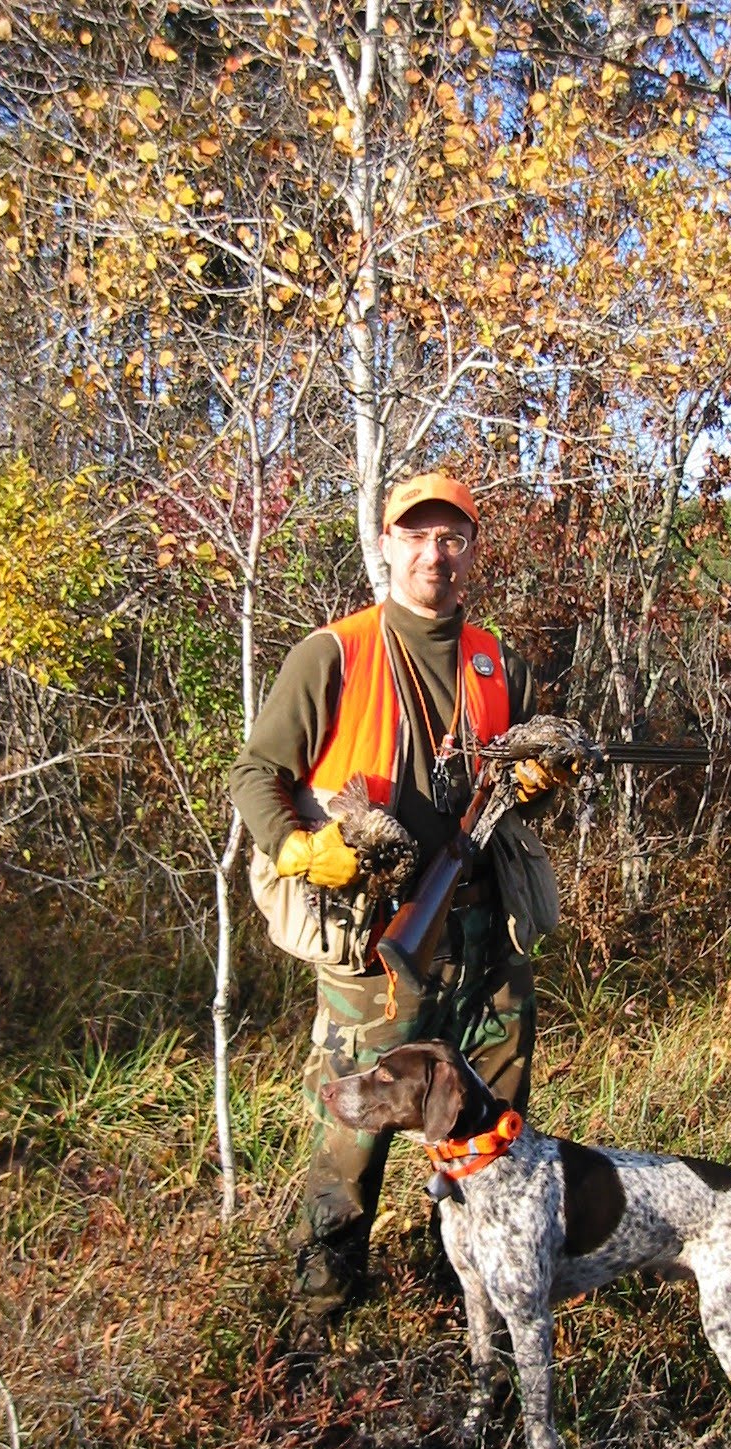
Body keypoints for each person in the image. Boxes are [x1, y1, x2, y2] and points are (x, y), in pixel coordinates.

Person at [229, 471, 561, 1317]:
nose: (433, 554)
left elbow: (526, 784)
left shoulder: (501, 663)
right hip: (380, 940)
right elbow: (256, 774)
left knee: (491, 1122)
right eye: (416, 535)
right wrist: (301, 849)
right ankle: (322, 1304)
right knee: (353, 1124)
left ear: (473, 551)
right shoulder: (333, 654)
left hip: (489, 938)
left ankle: (474, 1296)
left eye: (451, 537)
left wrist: (541, 780)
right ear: (386, 544)